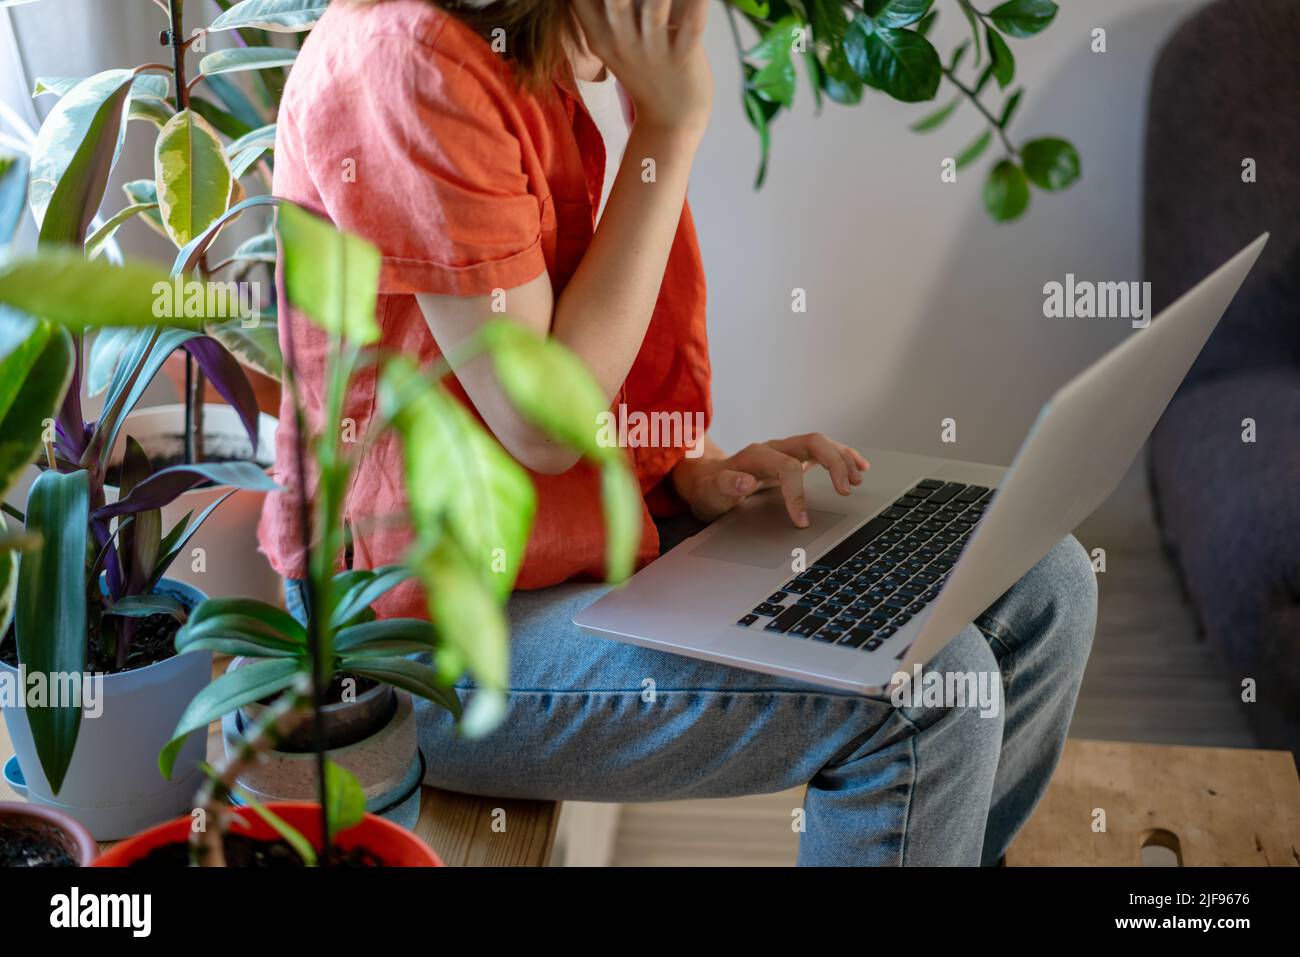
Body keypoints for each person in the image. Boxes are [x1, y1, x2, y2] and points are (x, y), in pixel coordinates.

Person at [259, 0, 1097, 866]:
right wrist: (668, 125)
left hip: (554, 544)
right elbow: (544, 423)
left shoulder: (527, 51)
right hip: (415, 642)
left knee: (1045, 579)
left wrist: (685, 463)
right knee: (929, 694)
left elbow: (544, 343)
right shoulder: (416, 60)